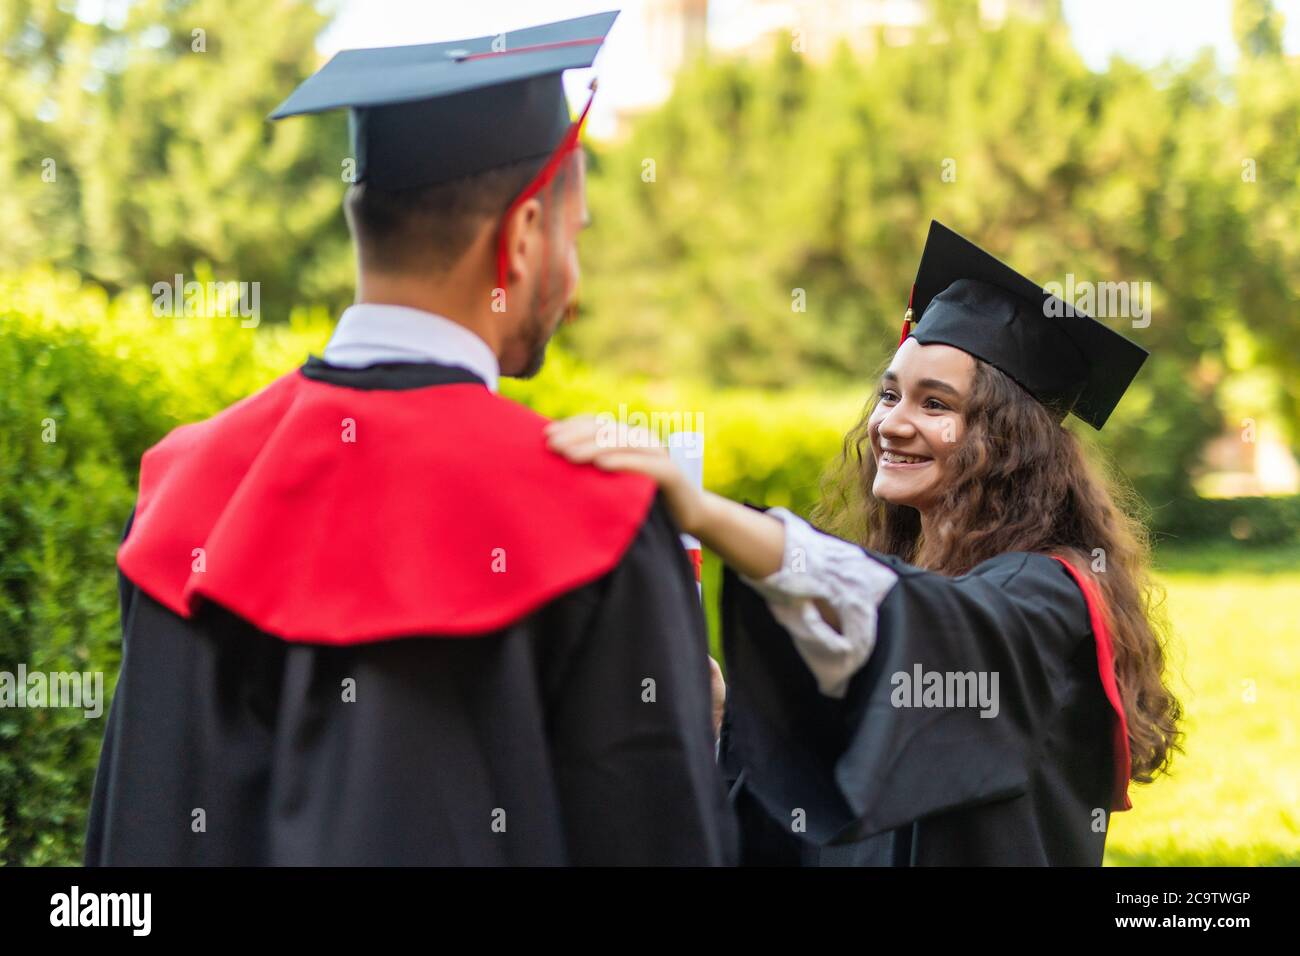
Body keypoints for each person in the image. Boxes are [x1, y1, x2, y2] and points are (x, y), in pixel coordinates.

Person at [85, 10, 735, 866]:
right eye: (574, 238)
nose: (571, 286)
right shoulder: (597, 518)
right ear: (525, 235)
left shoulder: (186, 488)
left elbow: (137, 832)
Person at [546, 220, 1183, 866]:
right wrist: (723, 722)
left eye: (935, 404)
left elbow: (936, 635)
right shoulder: (900, 575)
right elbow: (829, 798)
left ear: (1009, 442)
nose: (891, 424)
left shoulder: (1048, 599)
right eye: (889, 394)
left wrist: (705, 515)